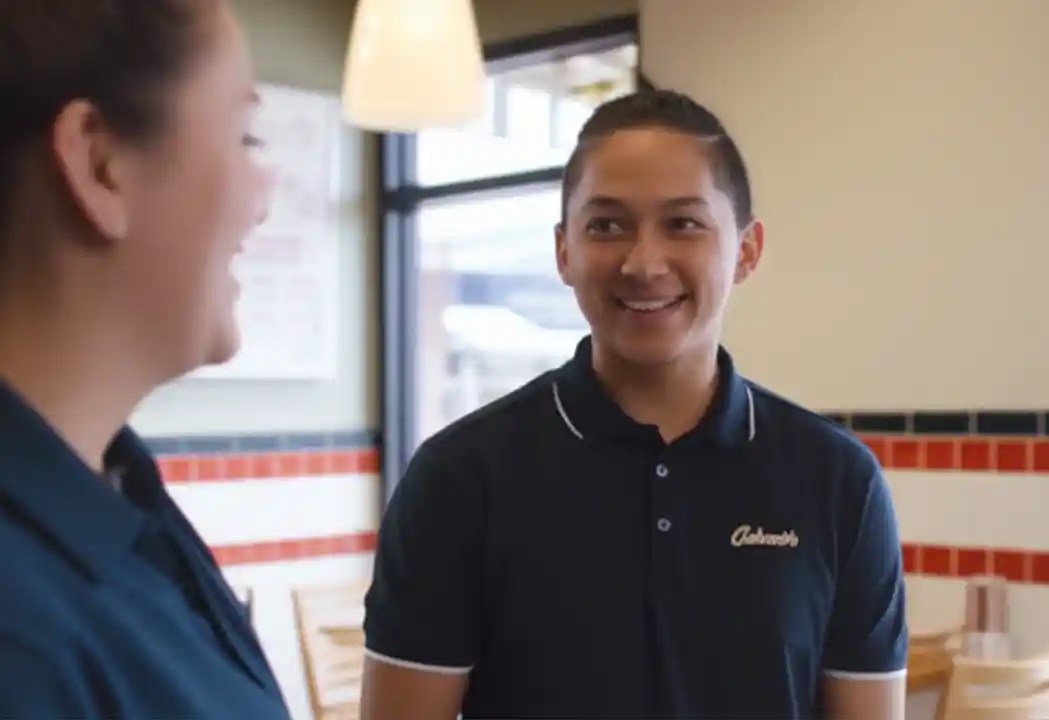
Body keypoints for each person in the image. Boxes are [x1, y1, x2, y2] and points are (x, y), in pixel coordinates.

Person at [361, 90, 907, 720]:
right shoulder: (459, 478)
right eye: (606, 225)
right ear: (564, 251)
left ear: (746, 250)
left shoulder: (837, 481)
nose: (644, 263)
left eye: (684, 224)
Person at [0, 0, 288, 716]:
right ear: (100, 165)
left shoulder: (121, 499)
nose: (263, 198)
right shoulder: (22, 645)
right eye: (244, 137)